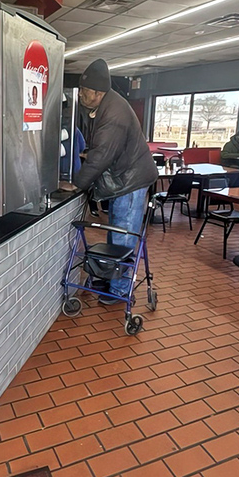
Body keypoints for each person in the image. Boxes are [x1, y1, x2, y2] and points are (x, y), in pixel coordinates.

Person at [60, 59, 158, 304]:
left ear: (97, 92)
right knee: (115, 232)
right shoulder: (109, 104)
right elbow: (106, 149)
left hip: (131, 181)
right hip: (124, 178)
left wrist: (77, 184)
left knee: (123, 235)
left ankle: (119, 289)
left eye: (84, 91)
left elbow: (102, 156)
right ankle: (111, 276)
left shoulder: (113, 114)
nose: (81, 95)